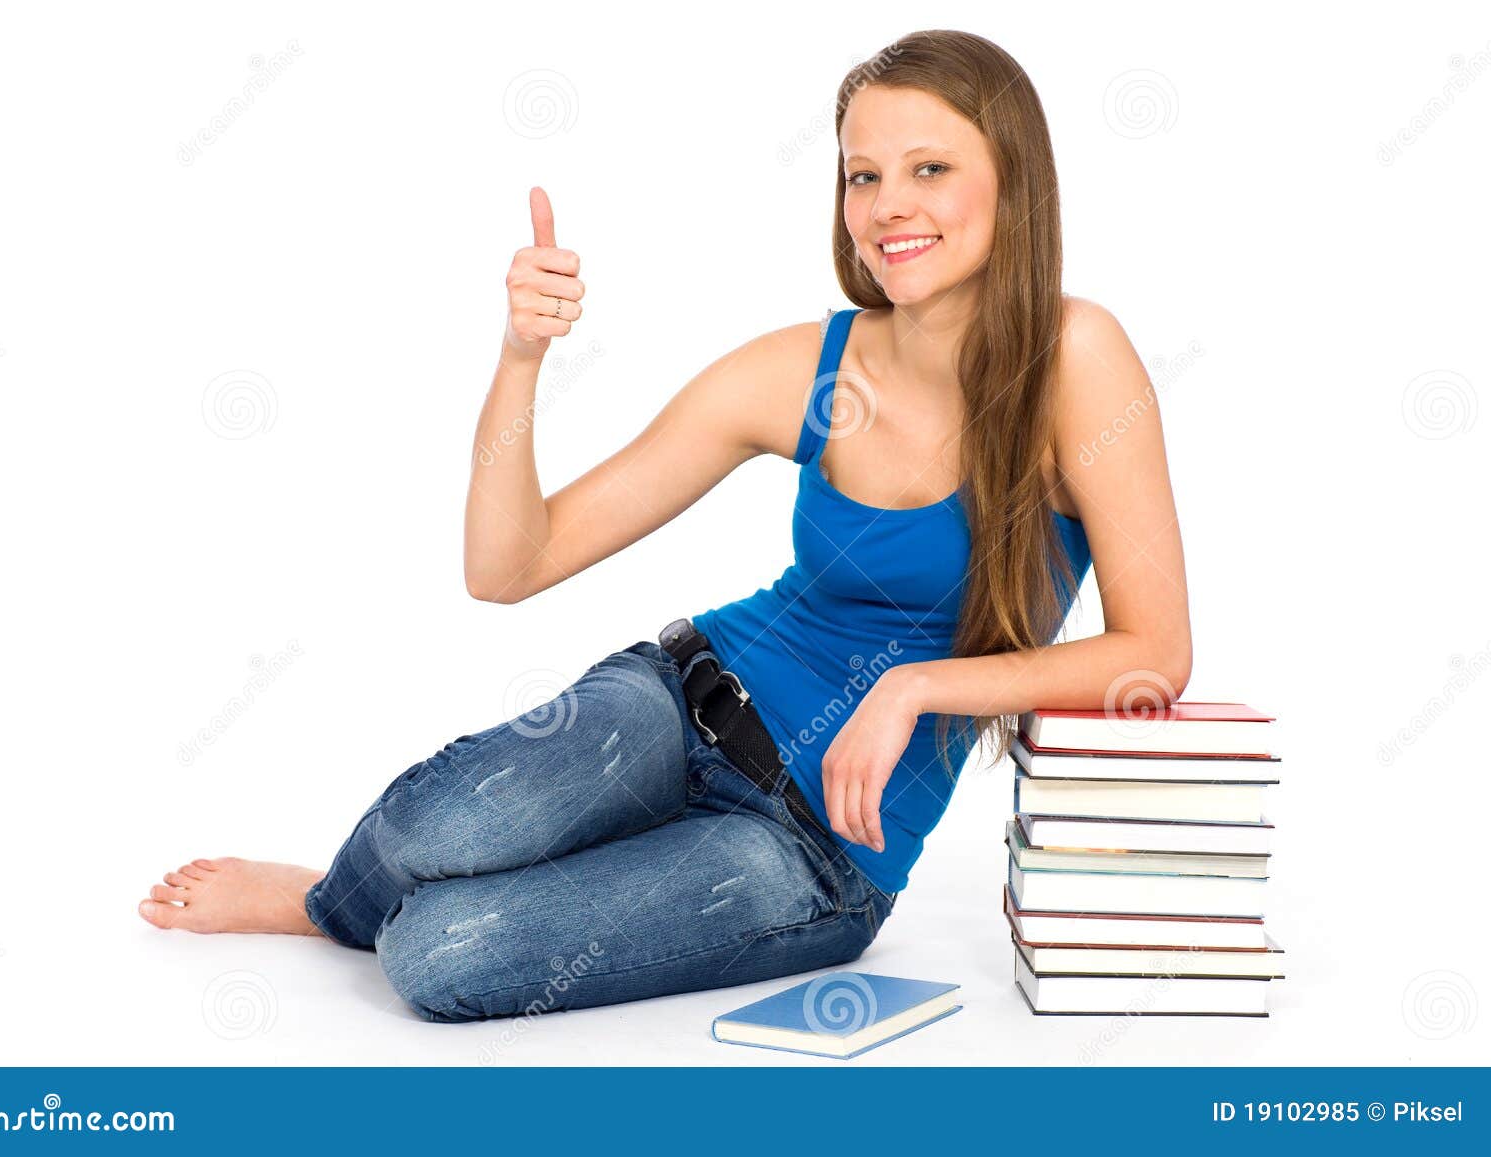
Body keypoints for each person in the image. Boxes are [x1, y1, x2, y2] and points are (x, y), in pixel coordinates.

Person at [137, 29, 1191, 1024]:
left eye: (928, 169)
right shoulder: (807, 369)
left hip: (808, 853)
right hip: (679, 700)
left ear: (1012, 176)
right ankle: (331, 898)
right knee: (428, 832)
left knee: (437, 958)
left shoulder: (1078, 359)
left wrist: (915, 682)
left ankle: (432, 890)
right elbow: (510, 564)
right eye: (861, 174)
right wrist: (520, 358)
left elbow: (1155, 652)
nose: (885, 206)